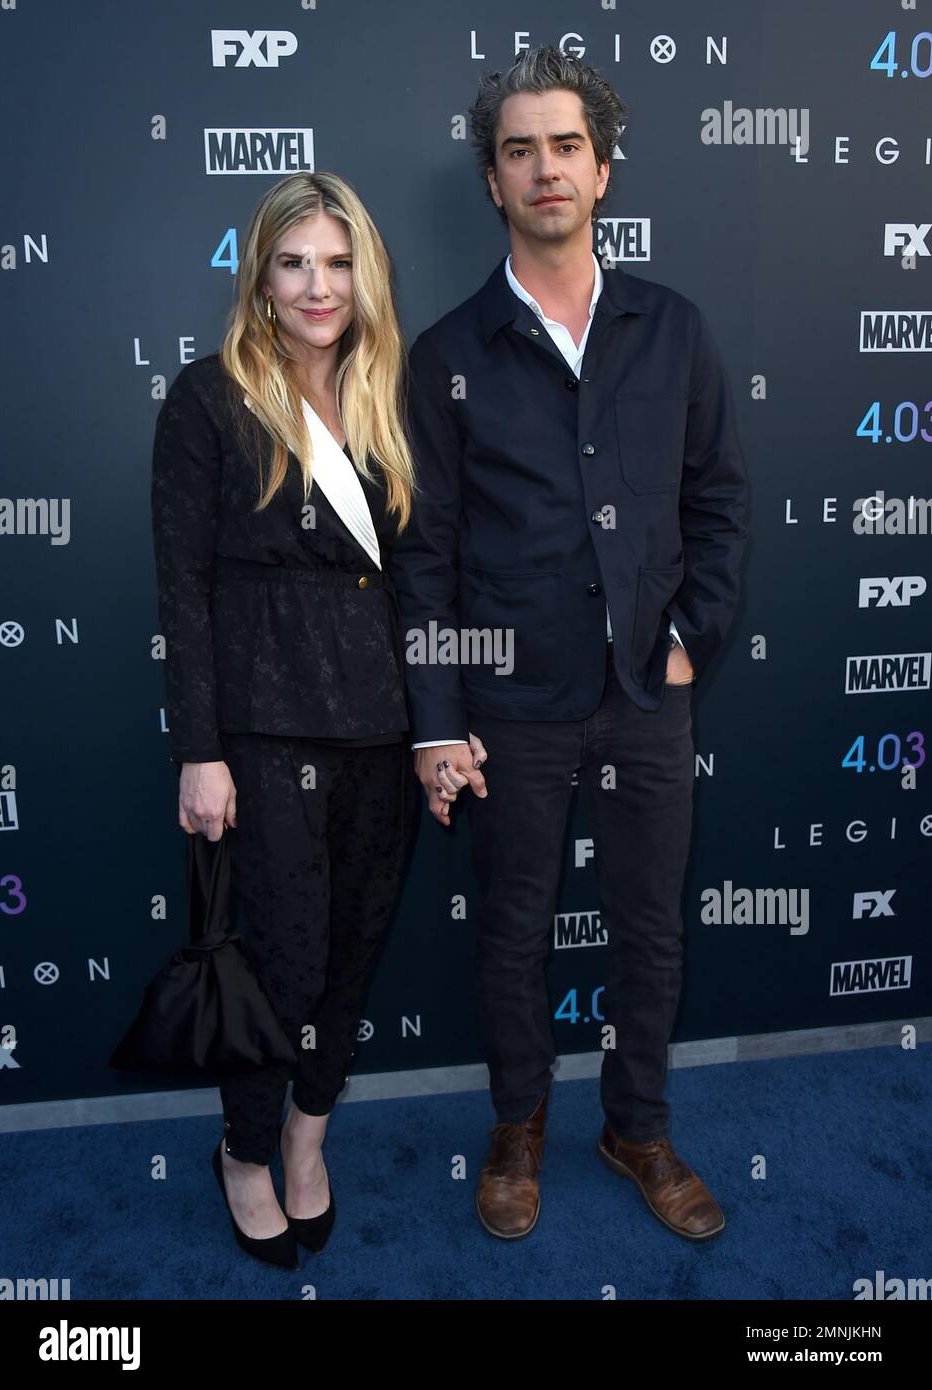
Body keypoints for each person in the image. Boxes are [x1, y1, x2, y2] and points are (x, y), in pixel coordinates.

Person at [389, 47, 749, 1242]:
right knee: (512, 928)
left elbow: (718, 501)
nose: (545, 169)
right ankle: (517, 1130)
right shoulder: (445, 355)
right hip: (511, 702)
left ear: (602, 167)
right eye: (518, 150)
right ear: (491, 180)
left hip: (650, 693)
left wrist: (694, 635)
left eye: (565, 146)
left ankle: (636, 1128)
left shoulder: (674, 328)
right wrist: (440, 715)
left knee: (652, 925)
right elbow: (425, 556)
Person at [150, 171, 429, 1269]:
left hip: (380, 732)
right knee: (279, 961)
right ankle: (245, 1151)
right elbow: (183, 590)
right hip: (262, 737)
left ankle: (310, 1134)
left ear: (366, 274)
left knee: (352, 951)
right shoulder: (210, 398)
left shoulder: (390, 396)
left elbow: (426, 577)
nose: (320, 286)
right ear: (260, 279)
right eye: (295, 262)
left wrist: (437, 726)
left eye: (340, 261)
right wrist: (199, 752)